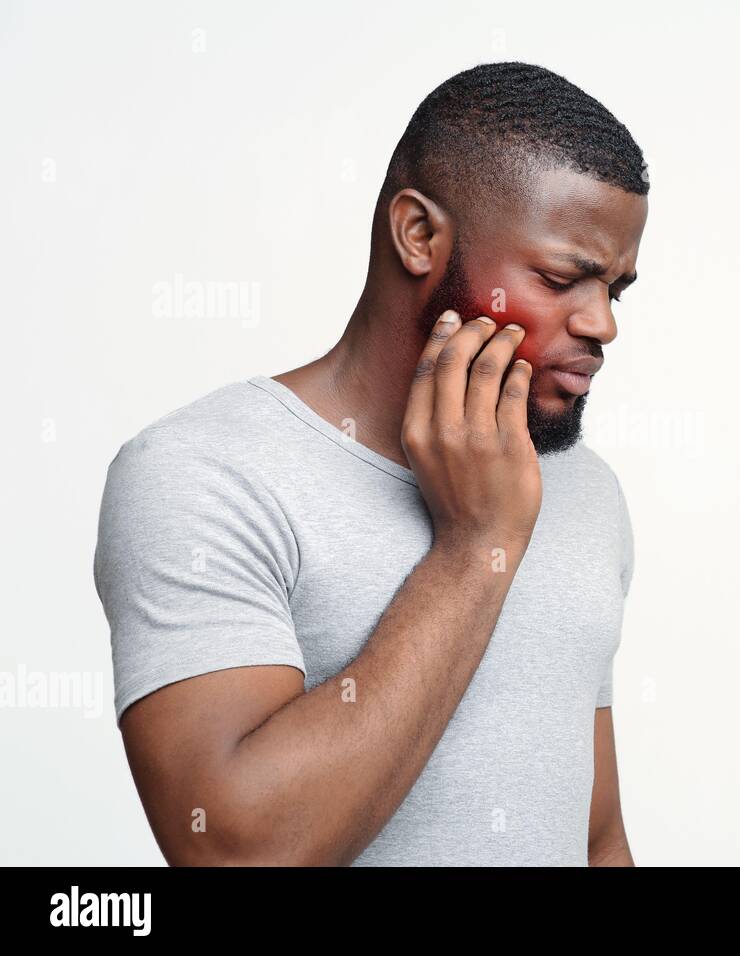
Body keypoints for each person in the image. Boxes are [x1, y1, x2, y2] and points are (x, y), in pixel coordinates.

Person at [92, 61, 649, 866]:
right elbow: (235, 853)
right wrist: (474, 548)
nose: (602, 324)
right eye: (565, 279)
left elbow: (596, 839)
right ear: (419, 235)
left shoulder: (583, 489)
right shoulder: (204, 474)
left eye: (617, 290)